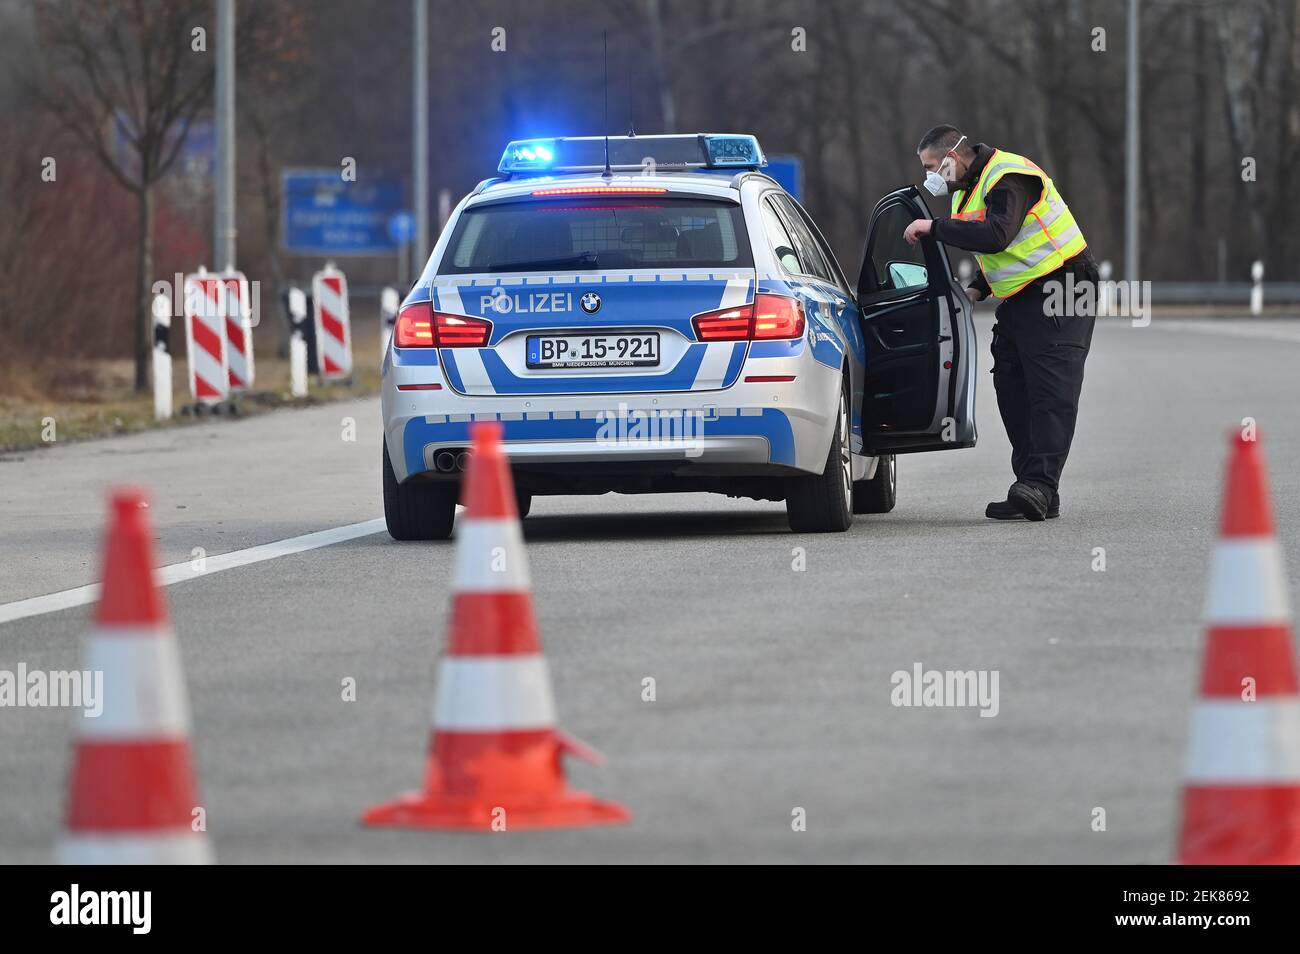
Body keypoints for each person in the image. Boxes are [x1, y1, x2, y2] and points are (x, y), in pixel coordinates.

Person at [903, 125, 1099, 521]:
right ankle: (1034, 485)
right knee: (1011, 383)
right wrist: (976, 289)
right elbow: (997, 256)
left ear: (952, 157)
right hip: (1024, 293)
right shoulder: (966, 192)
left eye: (930, 166)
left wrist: (933, 229)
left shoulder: (1008, 176)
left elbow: (997, 235)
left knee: (1050, 390)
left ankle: (1040, 486)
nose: (928, 176)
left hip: (1065, 284)